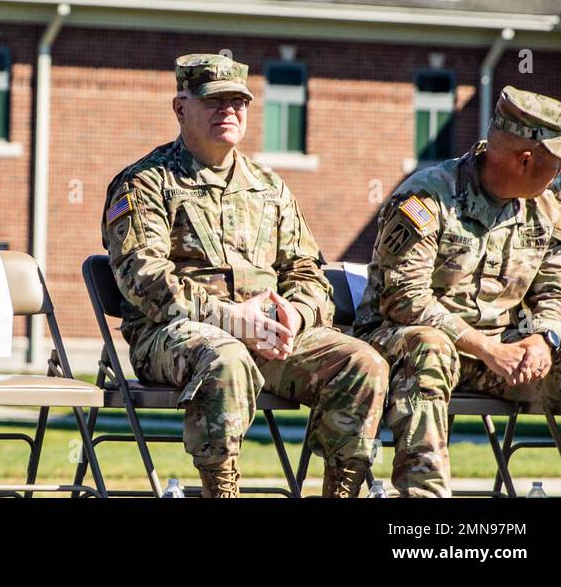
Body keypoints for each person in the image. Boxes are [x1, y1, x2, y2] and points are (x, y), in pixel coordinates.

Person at [102, 53, 388, 497]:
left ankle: (343, 490)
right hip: (175, 335)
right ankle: (222, 490)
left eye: (238, 102)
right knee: (226, 355)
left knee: (363, 363)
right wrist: (233, 319)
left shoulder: (268, 187)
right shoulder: (145, 183)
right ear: (181, 108)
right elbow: (144, 278)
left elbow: (308, 273)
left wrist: (294, 315)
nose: (228, 111)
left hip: (273, 334)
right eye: (214, 101)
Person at [356, 85, 561, 497]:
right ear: (524, 160)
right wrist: (486, 349)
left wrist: (545, 340)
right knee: (430, 347)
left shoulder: (549, 208)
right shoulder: (428, 197)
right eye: (558, 162)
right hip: (403, 344)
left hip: (504, 354)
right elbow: (404, 298)